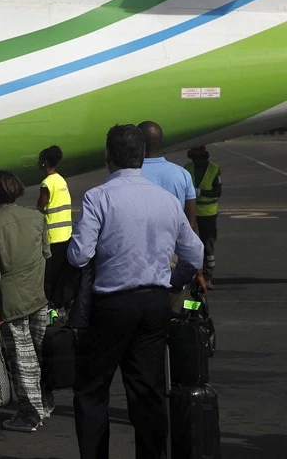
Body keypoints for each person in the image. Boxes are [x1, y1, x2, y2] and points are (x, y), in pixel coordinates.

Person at [67, 125, 204, 459]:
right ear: (143, 155)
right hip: (155, 301)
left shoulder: (98, 197)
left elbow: (79, 255)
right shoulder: (167, 200)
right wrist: (175, 279)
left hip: (113, 303)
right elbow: (195, 253)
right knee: (148, 392)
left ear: (108, 157)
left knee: (93, 390)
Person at [0, 170, 54, 432]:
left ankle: (29, 414)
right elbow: (46, 253)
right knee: (41, 354)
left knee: (22, 360)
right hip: (38, 295)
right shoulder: (36, 217)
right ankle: (45, 404)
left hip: (10, 301)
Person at [138, 121, 198, 231]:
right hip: (173, 244)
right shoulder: (182, 174)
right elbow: (191, 223)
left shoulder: (128, 174)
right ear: (161, 142)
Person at [35, 146, 73, 307]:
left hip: (52, 236)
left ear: (44, 163)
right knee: (60, 275)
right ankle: (60, 305)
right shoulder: (61, 180)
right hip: (66, 234)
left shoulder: (47, 183)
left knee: (48, 276)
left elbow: (40, 208)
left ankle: (50, 306)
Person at [185, 146, 222, 287]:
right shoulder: (187, 168)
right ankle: (194, 274)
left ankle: (207, 275)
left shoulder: (214, 169)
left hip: (207, 214)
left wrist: (200, 192)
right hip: (192, 213)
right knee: (190, 244)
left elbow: (217, 192)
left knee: (207, 245)